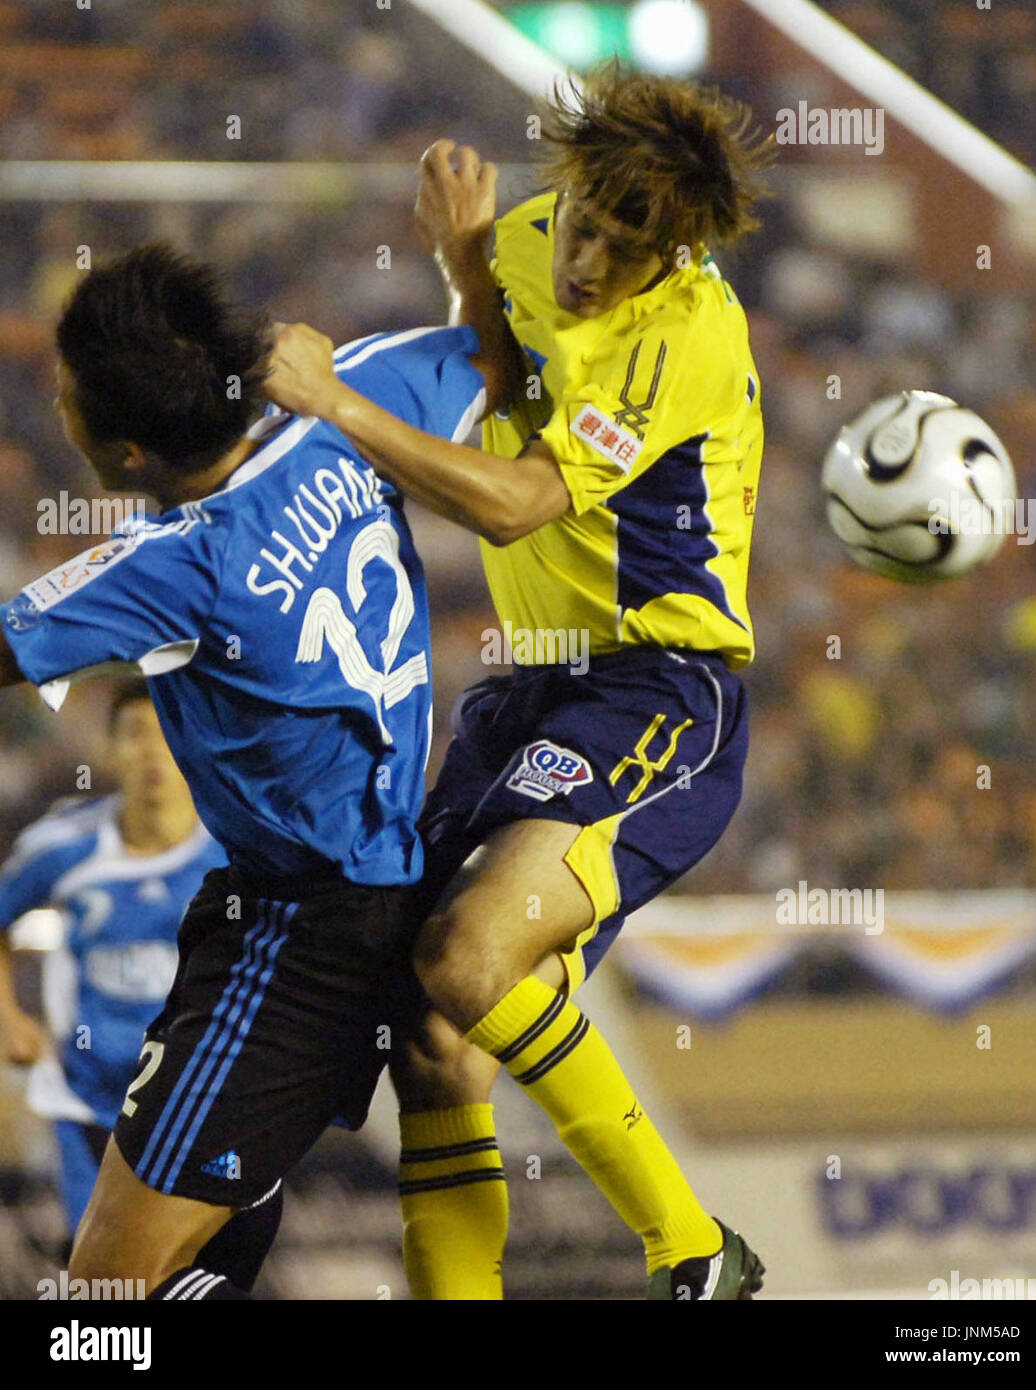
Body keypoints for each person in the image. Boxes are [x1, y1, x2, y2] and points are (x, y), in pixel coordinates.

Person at [264, 61, 774, 1300]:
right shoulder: (539, 231)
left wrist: (335, 404)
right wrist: (468, 265)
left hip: (658, 692)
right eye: (582, 224)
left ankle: (694, 1248)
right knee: (431, 1037)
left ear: (681, 250)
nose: (584, 262)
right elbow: (510, 371)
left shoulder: (681, 337)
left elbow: (515, 507)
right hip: (524, 692)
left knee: (463, 960)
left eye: (620, 248)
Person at [0, 243, 511, 1299]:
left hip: (296, 938)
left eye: (66, 397)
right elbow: (495, 358)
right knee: (197, 1262)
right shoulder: (343, 401)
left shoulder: (180, 560)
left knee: (97, 1302)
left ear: (128, 447)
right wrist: (465, 262)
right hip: (347, 891)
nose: (57, 410)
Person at [0, 679, 281, 1290]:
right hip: (91, 1108)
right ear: (110, 750)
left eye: (167, 736)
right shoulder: (64, 847)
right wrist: (9, 1018)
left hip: (205, 1103)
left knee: (187, 1273)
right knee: (103, 1285)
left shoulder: (242, 848)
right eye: (135, 736)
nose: (153, 754)